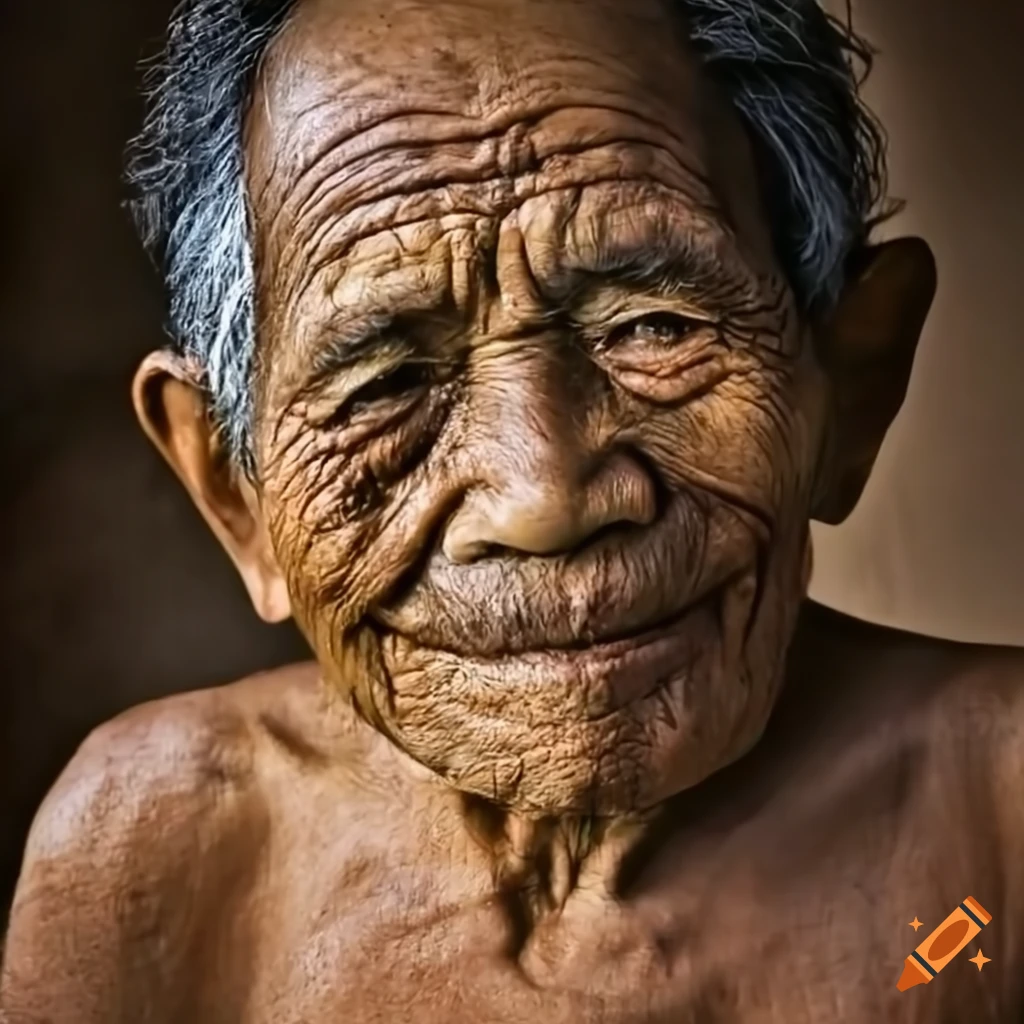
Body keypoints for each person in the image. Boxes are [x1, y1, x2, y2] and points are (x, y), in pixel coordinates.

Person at [2, 0, 1021, 1020]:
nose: (543, 498)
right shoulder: (160, 847)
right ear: (237, 490)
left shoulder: (998, 835)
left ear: (851, 385)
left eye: (653, 326)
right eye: (388, 382)